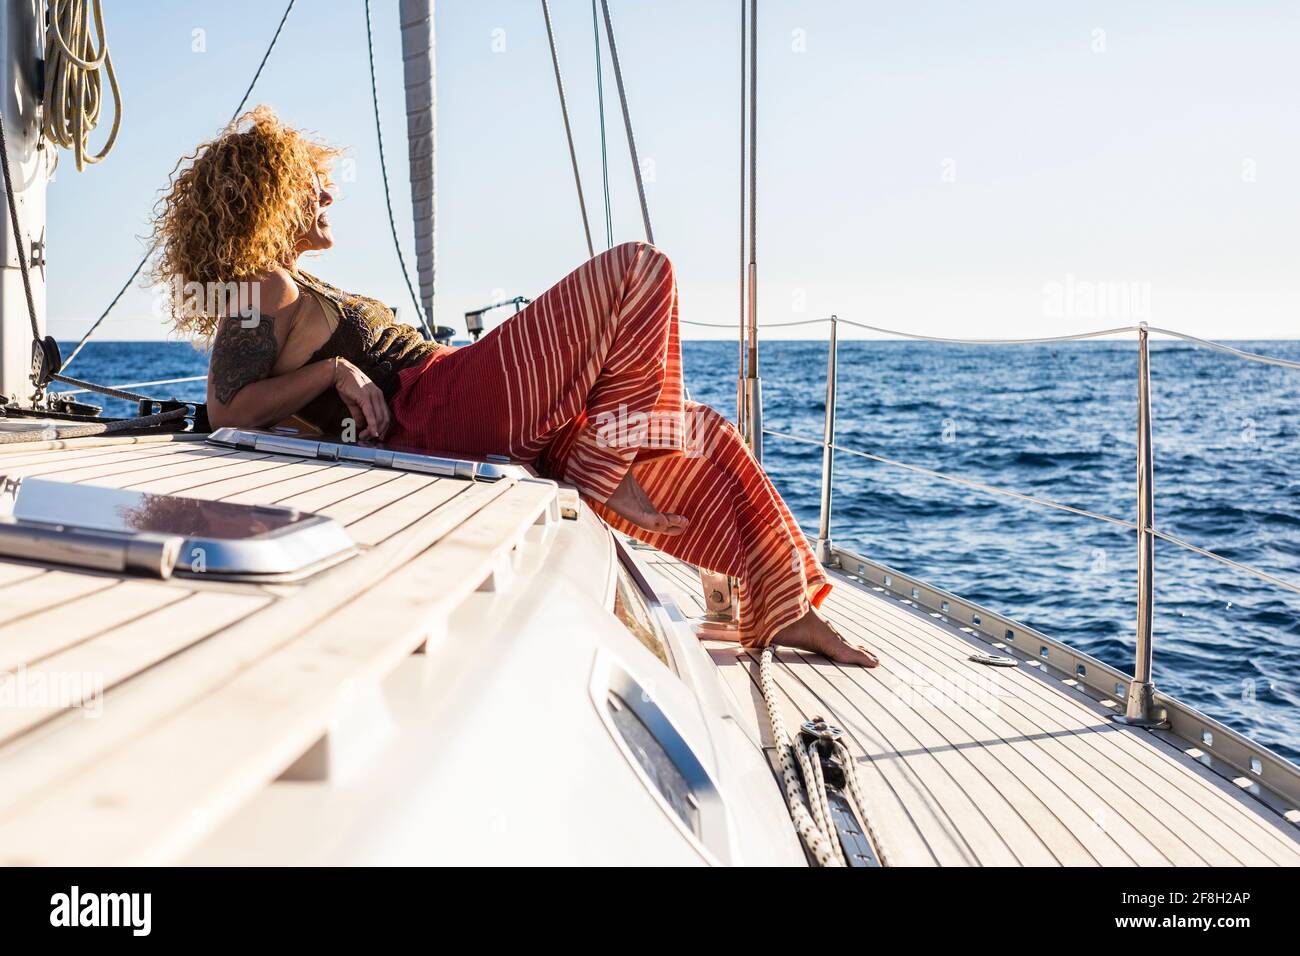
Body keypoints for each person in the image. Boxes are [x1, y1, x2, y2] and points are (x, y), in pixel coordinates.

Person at [152, 107, 877, 665]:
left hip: (452, 393)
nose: (326, 196)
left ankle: (785, 607)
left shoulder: (293, 284)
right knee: (638, 270)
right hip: (434, 409)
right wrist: (333, 371)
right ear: (271, 194)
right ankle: (602, 472)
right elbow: (225, 410)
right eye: (311, 183)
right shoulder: (260, 283)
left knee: (701, 430)